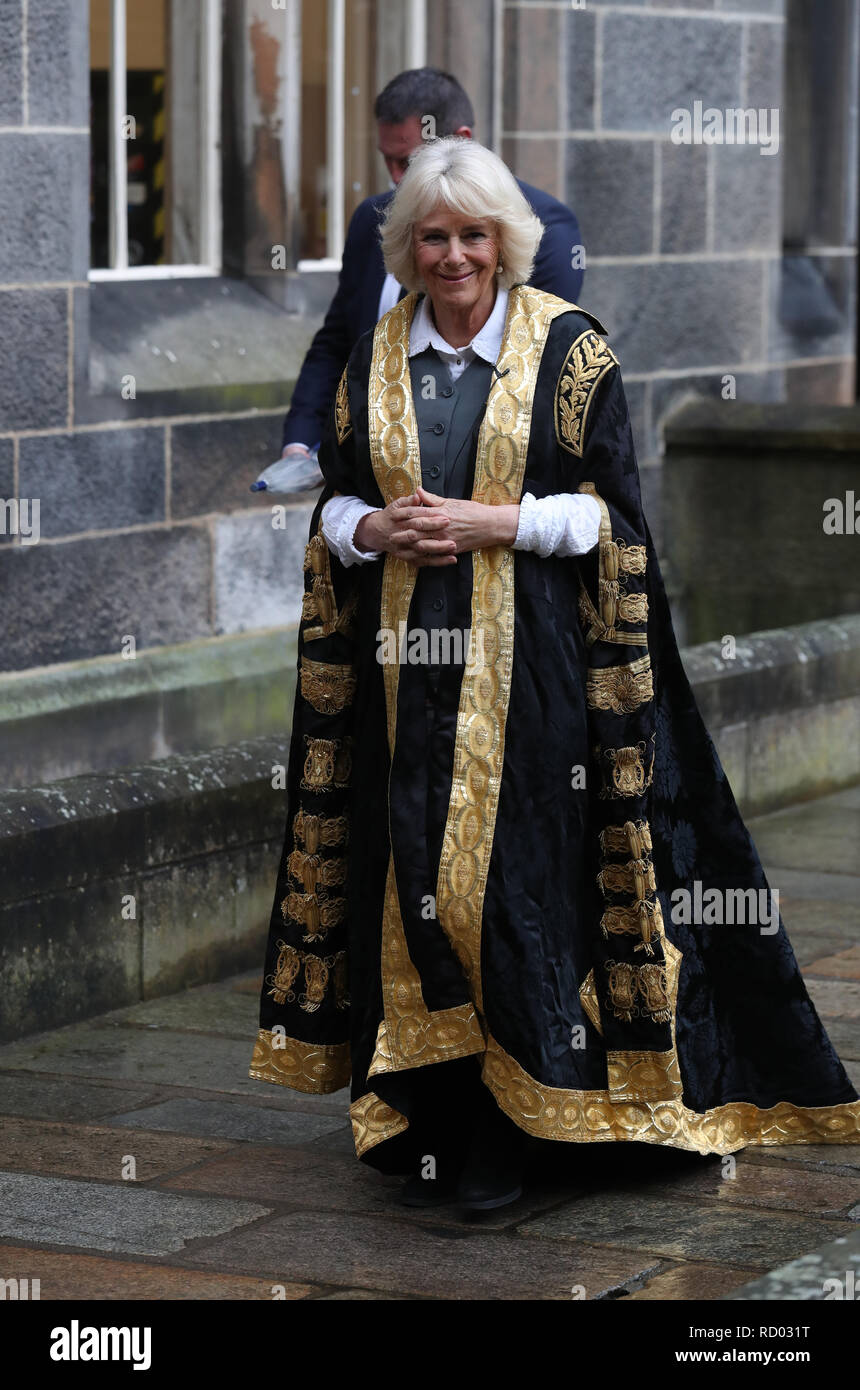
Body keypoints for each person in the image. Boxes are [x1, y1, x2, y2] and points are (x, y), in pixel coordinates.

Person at [249, 137, 859, 1212]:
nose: (451, 256)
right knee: (418, 890)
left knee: (513, 890)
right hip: (403, 681)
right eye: (430, 237)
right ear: (405, 246)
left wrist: (499, 521)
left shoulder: (570, 352)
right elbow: (333, 505)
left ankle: (515, 1125)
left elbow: (613, 518)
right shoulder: (371, 359)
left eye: (470, 235)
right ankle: (432, 1114)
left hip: (537, 675)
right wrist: (370, 529)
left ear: (504, 243)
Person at [280, 67, 584, 460]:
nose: (394, 179)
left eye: (407, 162)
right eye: (386, 160)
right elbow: (339, 339)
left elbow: (540, 371)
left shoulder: (545, 229)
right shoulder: (373, 218)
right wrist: (300, 443)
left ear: (460, 142)